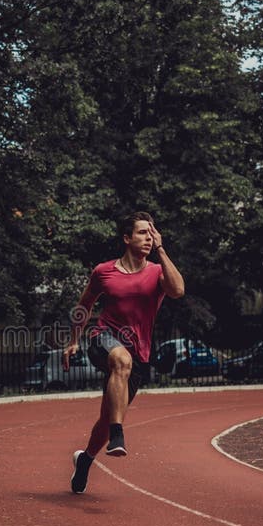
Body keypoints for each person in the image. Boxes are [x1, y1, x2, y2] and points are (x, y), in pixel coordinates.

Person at [62, 211, 184, 494]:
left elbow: (178, 290)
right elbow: (85, 306)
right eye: (142, 233)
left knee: (106, 418)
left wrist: (162, 249)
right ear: (127, 238)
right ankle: (119, 434)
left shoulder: (157, 272)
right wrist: (73, 341)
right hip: (102, 338)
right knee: (120, 358)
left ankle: (85, 460)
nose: (148, 238)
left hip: (138, 353)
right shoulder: (103, 271)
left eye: (151, 234)